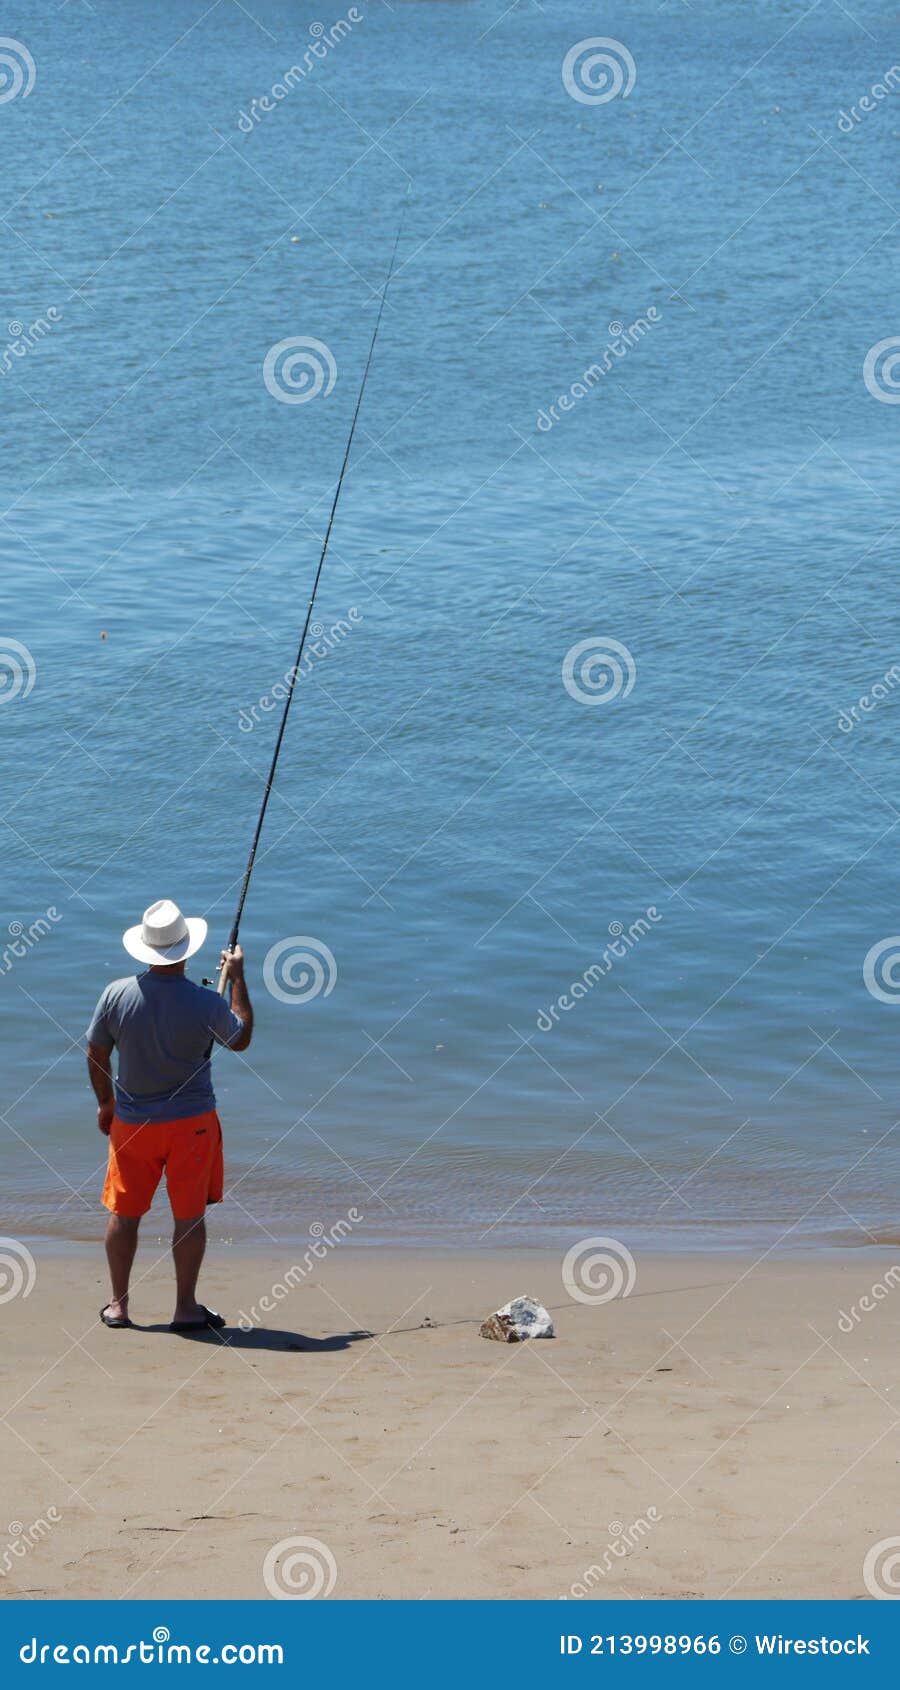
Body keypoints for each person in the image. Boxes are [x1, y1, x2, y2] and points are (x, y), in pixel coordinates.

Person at [86, 898, 253, 1332]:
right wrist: (236, 979)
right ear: (185, 948)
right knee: (189, 1216)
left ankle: (118, 1306)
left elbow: (97, 1051)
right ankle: (185, 1308)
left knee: (124, 1214)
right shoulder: (205, 1002)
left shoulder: (116, 994)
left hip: (132, 1123)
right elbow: (240, 1038)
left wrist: (105, 1102)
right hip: (192, 1125)